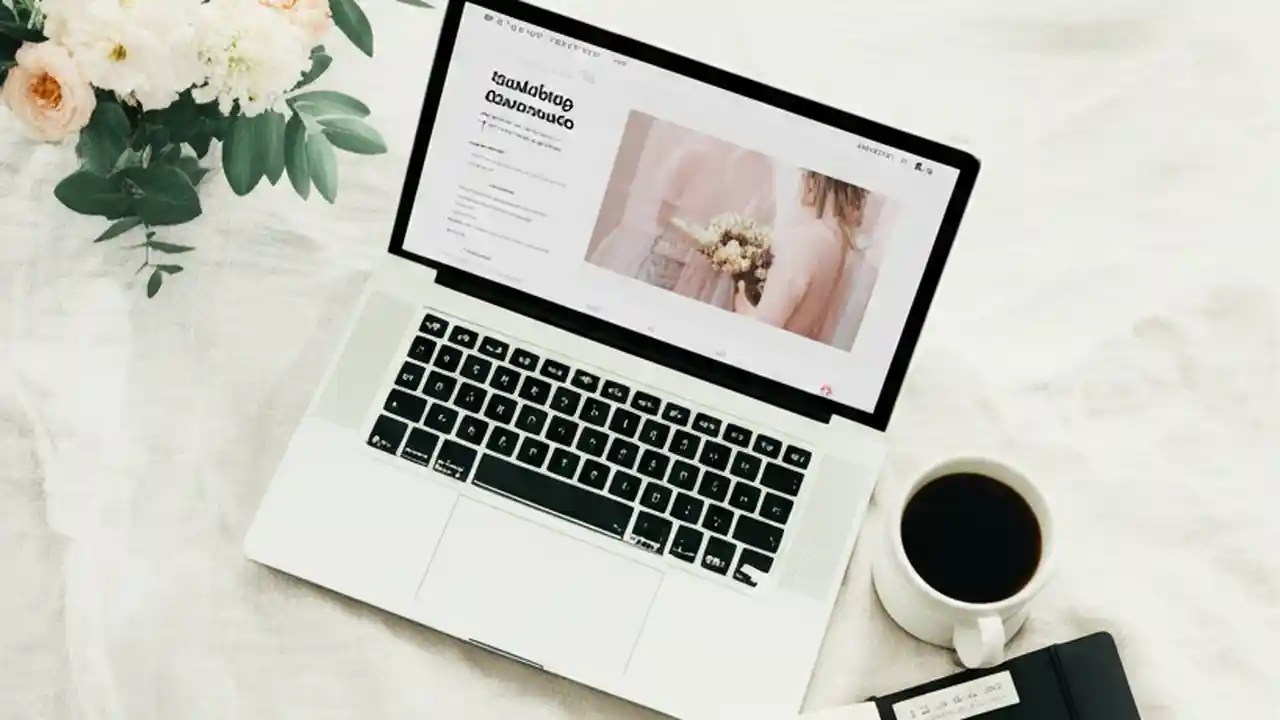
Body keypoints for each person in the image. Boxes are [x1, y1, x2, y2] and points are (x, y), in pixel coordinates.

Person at [733, 169, 868, 340]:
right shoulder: (843, 247)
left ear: (813, 181)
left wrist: (742, 305)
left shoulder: (804, 241)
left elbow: (762, 328)